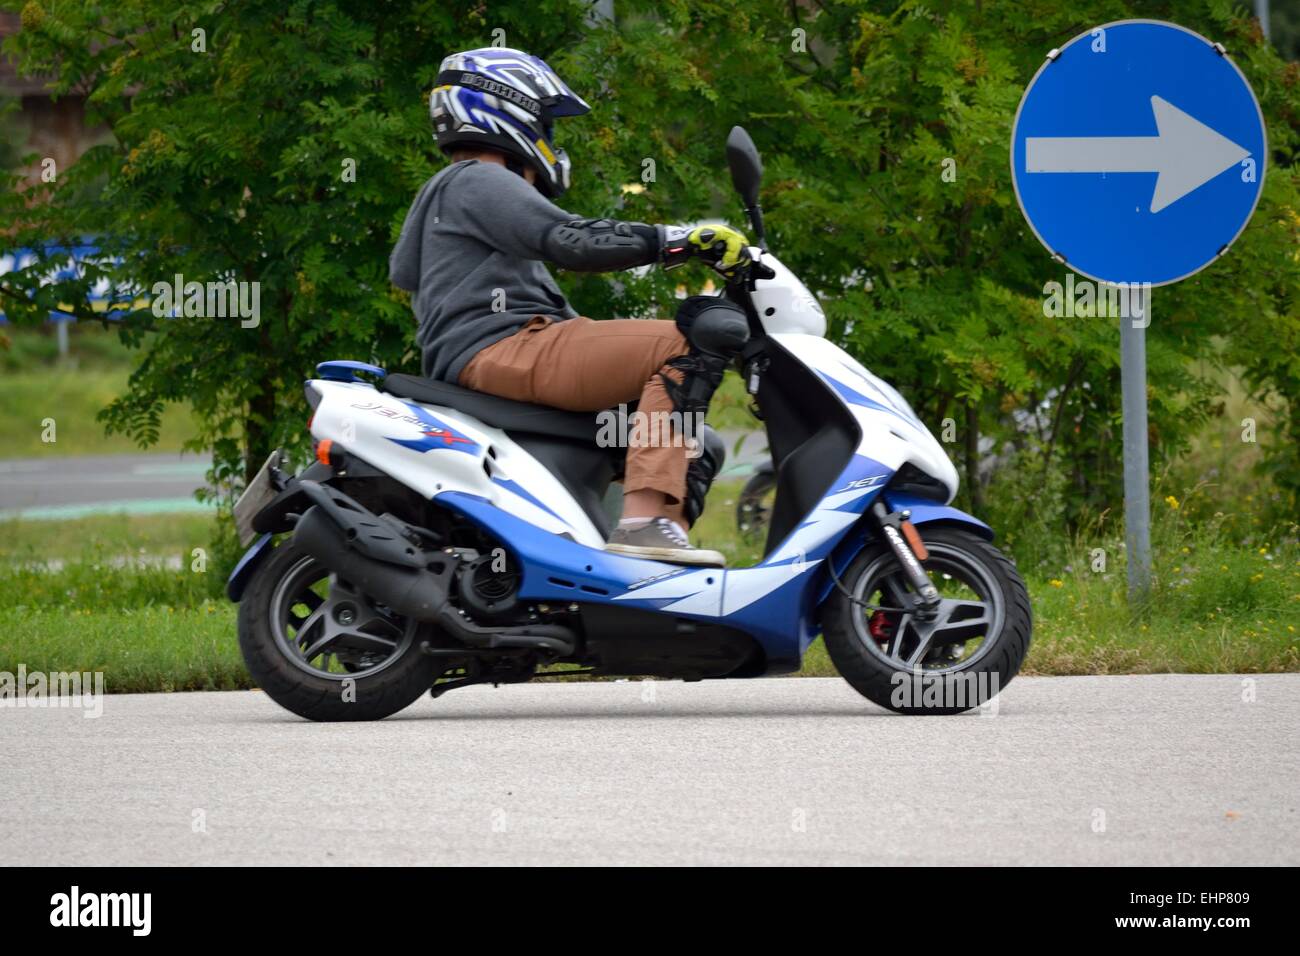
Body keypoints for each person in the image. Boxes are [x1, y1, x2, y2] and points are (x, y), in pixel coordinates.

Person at [390, 47, 752, 566]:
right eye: (546, 122)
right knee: (687, 340)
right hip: (508, 347)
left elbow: (403, 270)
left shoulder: (445, 192)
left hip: (492, 355)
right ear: (507, 111)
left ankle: (648, 571)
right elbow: (570, 240)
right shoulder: (479, 178)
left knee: (700, 444)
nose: (552, 141)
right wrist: (678, 240)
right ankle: (646, 525)